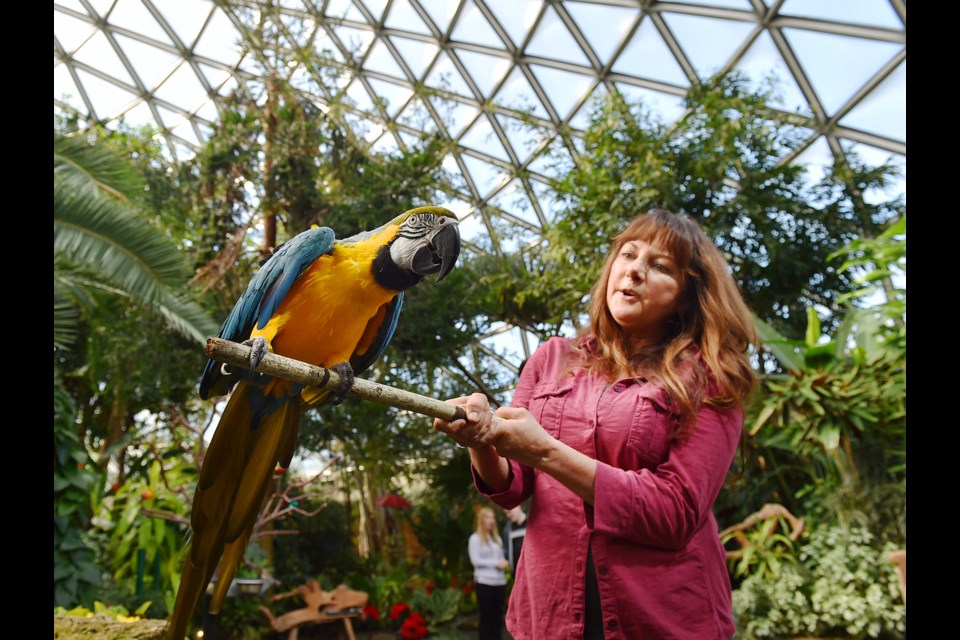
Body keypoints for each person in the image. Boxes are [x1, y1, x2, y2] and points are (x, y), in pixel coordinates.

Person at [434, 209, 758, 639]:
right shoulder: (552, 358)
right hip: (548, 612)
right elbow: (516, 484)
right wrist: (481, 438)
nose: (635, 271)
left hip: (660, 616)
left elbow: (676, 512)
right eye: (628, 254)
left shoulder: (709, 373)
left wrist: (546, 450)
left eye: (660, 266)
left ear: (686, 294)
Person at [468, 506, 509, 640]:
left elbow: (501, 557)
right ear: (481, 520)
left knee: (497, 618)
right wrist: (496, 564)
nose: (491, 521)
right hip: (484, 583)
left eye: (493, 518)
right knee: (486, 617)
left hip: (500, 583)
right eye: (488, 517)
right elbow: (475, 561)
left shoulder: (497, 539)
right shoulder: (474, 539)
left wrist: (503, 562)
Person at [501, 505, 527, 576]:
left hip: (533, 572)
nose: (508, 515)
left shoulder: (532, 523)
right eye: (506, 513)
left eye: (509, 512)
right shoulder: (507, 530)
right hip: (517, 575)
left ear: (518, 506)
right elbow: (506, 551)